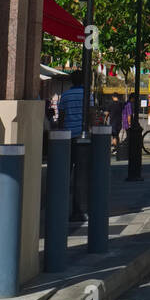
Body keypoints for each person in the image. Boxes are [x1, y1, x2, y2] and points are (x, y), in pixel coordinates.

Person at [57, 70, 88, 222]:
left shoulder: (65, 96)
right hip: (82, 138)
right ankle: (79, 209)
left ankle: (60, 206)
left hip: (67, 136)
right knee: (81, 175)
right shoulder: (87, 95)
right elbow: (91, 114)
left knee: (65, 173)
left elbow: (61, 118)